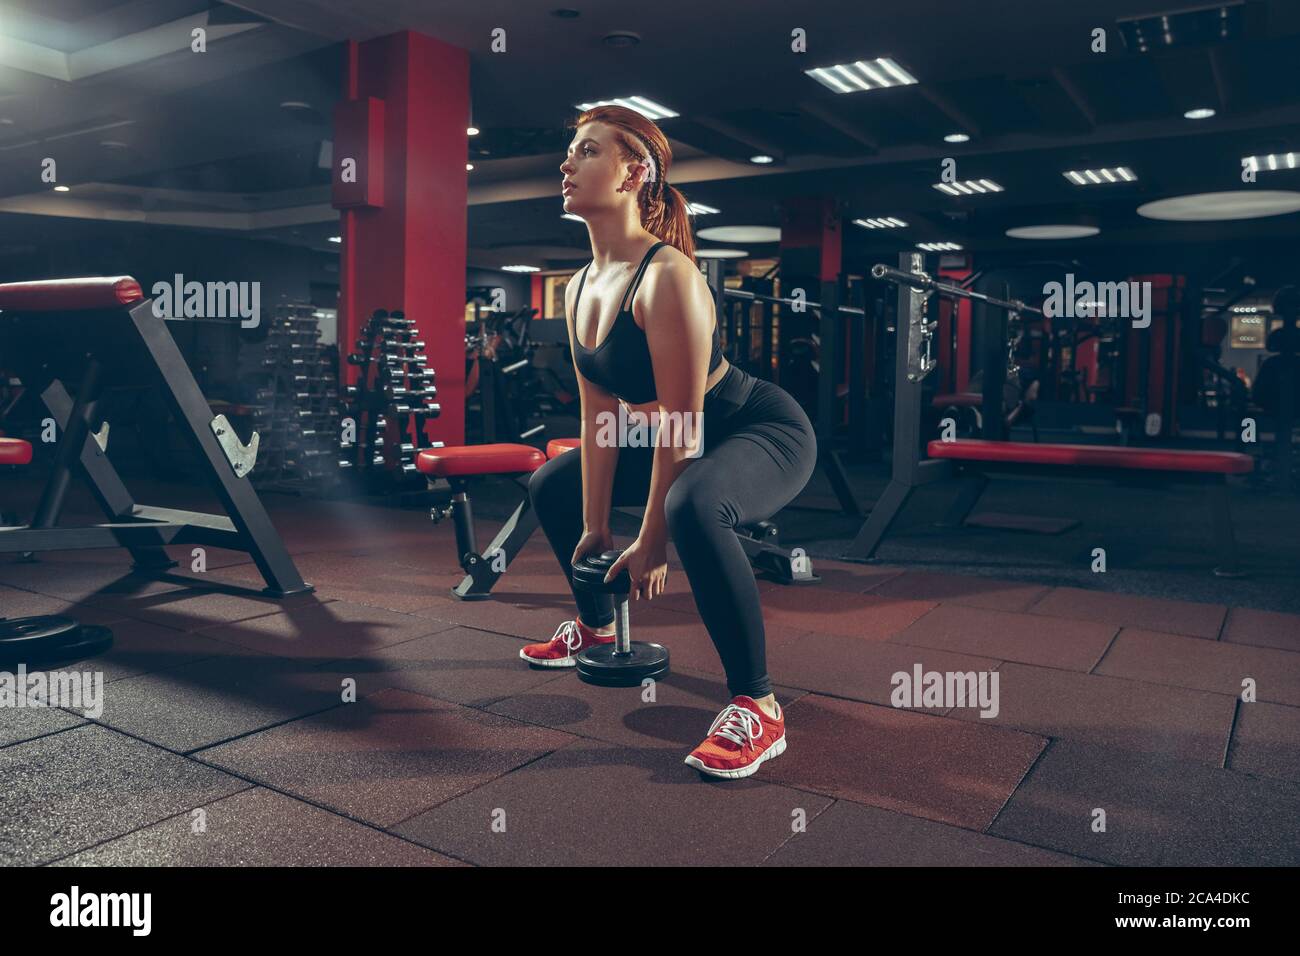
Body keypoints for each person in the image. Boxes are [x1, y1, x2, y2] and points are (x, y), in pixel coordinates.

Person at [521, 104, 818, 779]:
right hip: (672, 433)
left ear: (632, 173)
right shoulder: (580, 288)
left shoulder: (668, 277)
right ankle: (594, 627)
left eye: (588, 151)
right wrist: (597, 527)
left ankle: (759, 704)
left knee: (690, 506)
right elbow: (601, 417)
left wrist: (652, 539)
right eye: (570, 151)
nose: (567, 165)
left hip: (756, 427)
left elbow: (681, 426)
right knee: (551, 483)